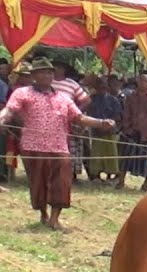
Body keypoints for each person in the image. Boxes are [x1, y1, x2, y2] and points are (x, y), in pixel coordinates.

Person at [0, 57, 115, 230]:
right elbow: (10, 109)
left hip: (59, 147)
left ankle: (55, 219)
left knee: (61, 183)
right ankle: (43, 214)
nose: (47, 76)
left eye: (49, 72)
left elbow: (79, 117)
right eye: (42, 72)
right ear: (34, 75)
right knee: (38, 183)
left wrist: (100, 123)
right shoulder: (23, 93)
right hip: (33, 146)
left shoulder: (63, 98)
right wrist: (2, 119)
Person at [119, 71, 147, 190]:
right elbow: (126, 112)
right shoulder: (130, 97)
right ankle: (121, 181)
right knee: (126, 157)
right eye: (141, 80)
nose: (142, 83)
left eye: (145, 81)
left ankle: (146, 183)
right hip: (132, 131)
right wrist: (127, 127)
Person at [84, 75, 122, 182]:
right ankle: (96, 175)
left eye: (104, 86)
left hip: (110, 131)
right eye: (100, 86)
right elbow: (88, 113)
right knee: (97, 154)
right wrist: (97, 125)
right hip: (96, 131)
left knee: (111, 153)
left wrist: (108, 125)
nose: (102, 88)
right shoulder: (91, 99)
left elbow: (118, 116)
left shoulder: (113, 100)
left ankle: (111, 175)